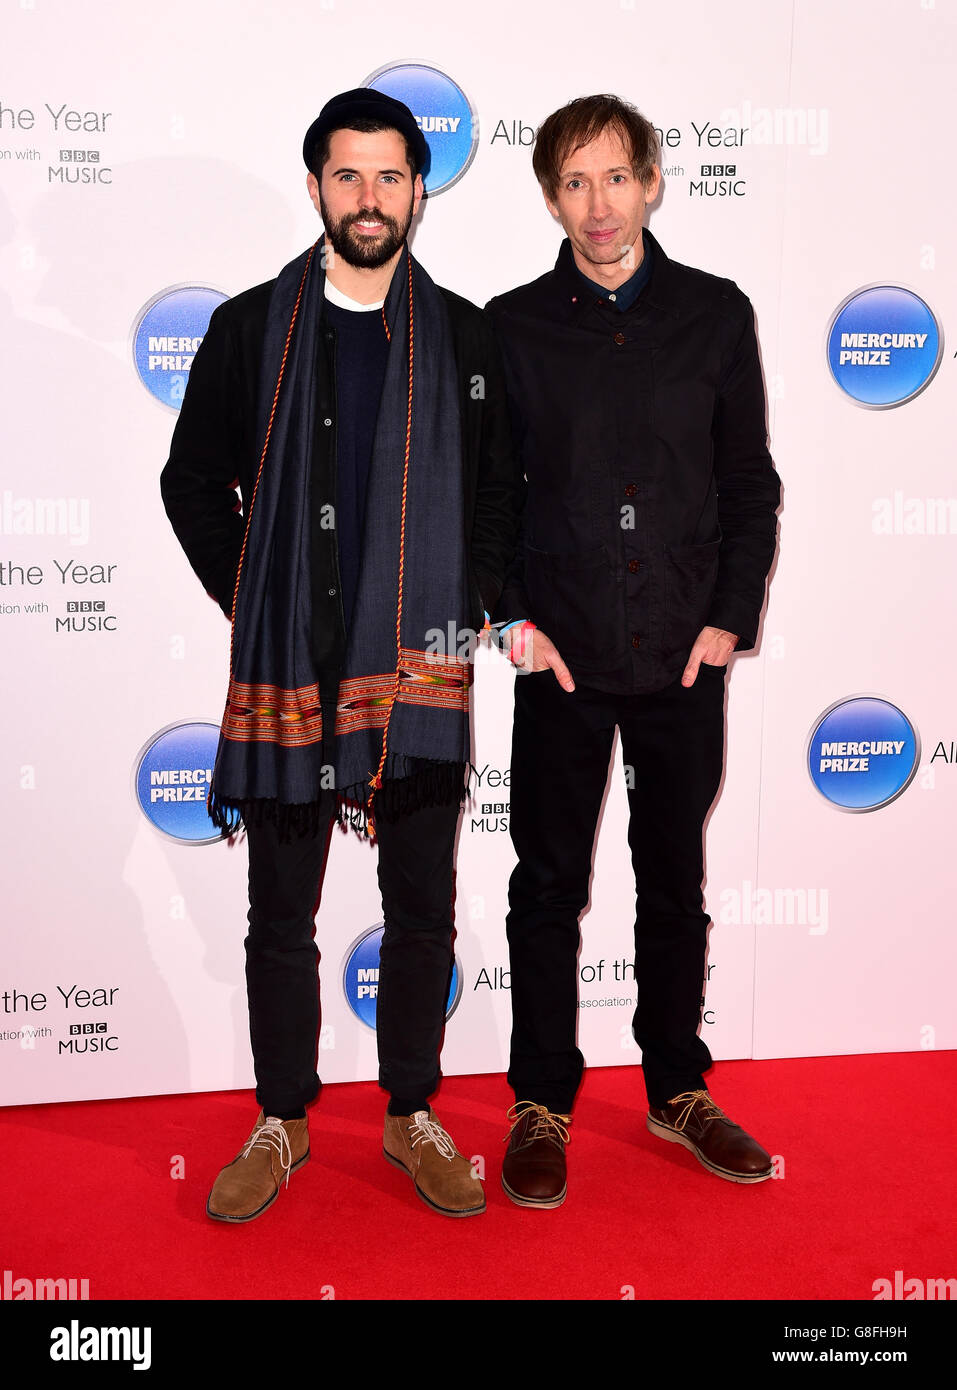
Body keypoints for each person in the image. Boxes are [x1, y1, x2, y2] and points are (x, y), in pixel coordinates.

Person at [161, 88, 517, 1222]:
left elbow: (504, 496)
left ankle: (412, 1112)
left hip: (417, 681)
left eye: (391, 176)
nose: (371, 198)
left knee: (422, 911)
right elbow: (190, 485)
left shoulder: (463, 334)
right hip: (291, 671)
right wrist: (248, 594)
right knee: (282, 918)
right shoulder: (251, 328)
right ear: (315, 184)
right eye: (348, 175)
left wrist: (467, 609)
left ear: (422, 188)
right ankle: (283, 1119)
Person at [486, 94, 782, 1208]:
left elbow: (750, 484)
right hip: (561, 656)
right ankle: (539, 1100)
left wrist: (728, 615)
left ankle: (677, 1088)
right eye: (574, 182)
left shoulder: (715, 314)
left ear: (654, 181)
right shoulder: (513, 326)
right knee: (547, 883)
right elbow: (491, 495)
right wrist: (509, 617)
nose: (598, 205)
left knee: (675, 880)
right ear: (551, 196)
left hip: (680, 657)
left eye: (616, 178)